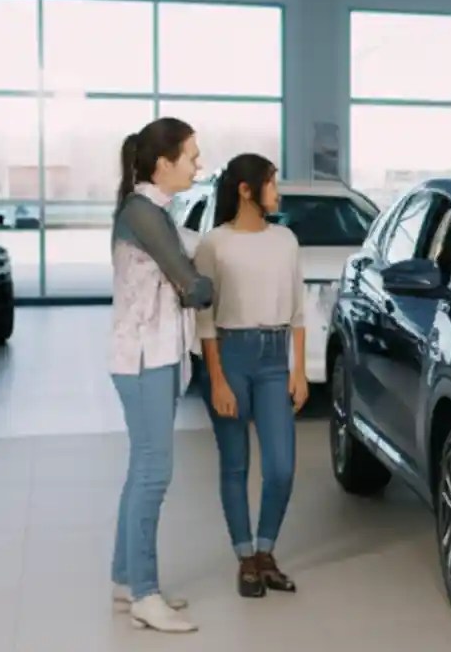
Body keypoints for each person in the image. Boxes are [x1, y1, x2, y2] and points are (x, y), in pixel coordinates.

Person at [109, 117, 213, 633]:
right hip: (145, 358)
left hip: (151, 355)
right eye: (192, 156)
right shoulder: (144, 213)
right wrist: (206, 282)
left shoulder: (154, 211)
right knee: (154, 472)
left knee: (141, 469)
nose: (199, 164)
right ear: (164, 162)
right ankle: (146, 596)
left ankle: (127, 578)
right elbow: (193, 285)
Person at [193, 153, 308, 598]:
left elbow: (298, 311)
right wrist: (218, 378)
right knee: (235, 463)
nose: (277, 191)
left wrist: (298, 370)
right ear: (246, 190)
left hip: (275, 358)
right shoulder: (214, 244)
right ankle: (246, 559)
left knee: (281, 467)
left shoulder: (286, 240)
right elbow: (204, 321)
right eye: (271, 182)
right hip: (230, 355)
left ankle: (266, 551)